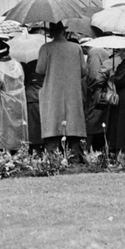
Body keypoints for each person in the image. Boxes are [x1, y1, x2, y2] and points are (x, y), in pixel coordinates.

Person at [34, 22, 86, 154]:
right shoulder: (76, 48)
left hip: (52, 91)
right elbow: (83, 71)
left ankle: (53, 157)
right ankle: (74, 155)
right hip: (72, 92)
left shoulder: (45, 48)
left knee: (53, 122)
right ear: (64, 32)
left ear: (51, 33)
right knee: (73, 122)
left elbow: (40, 70)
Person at [0, 39, 27, 153]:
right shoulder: (18, 65)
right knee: (19, 130)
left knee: (4, 130)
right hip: (20, 100)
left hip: (4, 102)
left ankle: (5, 156)